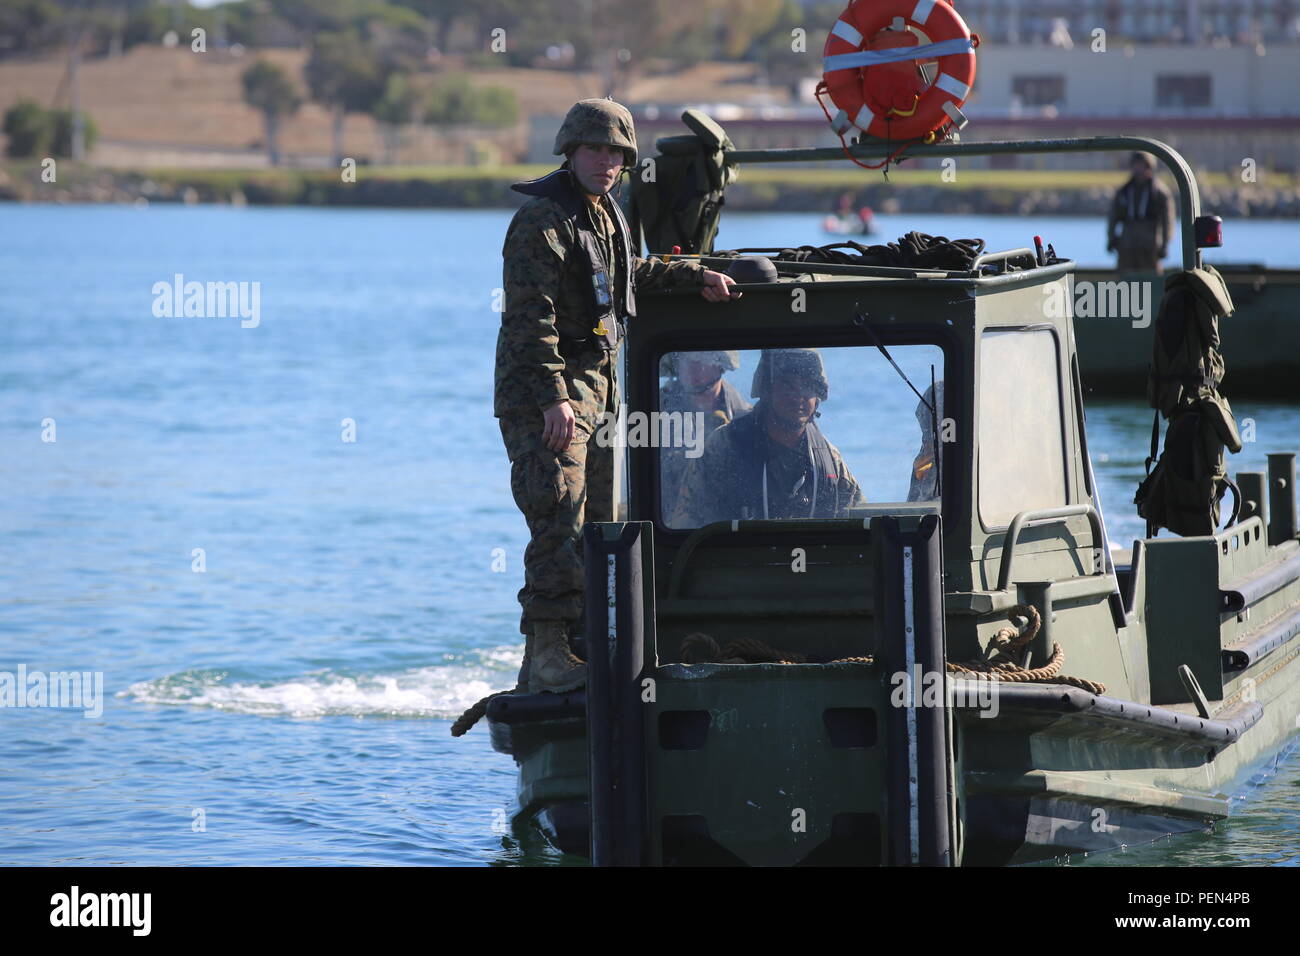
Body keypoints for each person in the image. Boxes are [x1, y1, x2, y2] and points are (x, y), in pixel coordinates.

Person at [497, 97, 742, 694]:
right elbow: (531, 320)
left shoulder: (606, 214)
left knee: (600, 521)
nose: (605, 162)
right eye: (594, 150)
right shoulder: (542, 220)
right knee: (558, 513)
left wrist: (696, 274)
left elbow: (634, 274)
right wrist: (554, 398)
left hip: (596, 392)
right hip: (547, 394)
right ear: (570, 152)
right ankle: (548, 651)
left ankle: (577, 649)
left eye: (615, 154)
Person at [671, 348, 865, 526]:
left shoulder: (829, 460)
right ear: (767, 389)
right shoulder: (724, 447)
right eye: (787, 385)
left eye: (807, 386)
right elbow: (687, 525)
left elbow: (861, 518)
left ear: (818, 396)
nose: (797, 396)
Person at [658, 350, 752, 515]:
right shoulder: (652, 411)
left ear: (721, 363)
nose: (692, 366)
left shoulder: (746, 419)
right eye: (684, 359)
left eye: (701, 358)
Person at [1106, 151, 1173, 274]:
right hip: (1127, 245)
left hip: (1150, 246)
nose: (1138, 169)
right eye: (1135, 165)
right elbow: (1113, 217)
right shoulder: (1124, 192)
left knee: (1152, 283)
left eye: (1141, 165)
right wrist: (1111, 239)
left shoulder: (1160, 193)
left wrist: (1165, 245)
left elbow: (1167, 222)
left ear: (1149, 166)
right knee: (1125, 285)